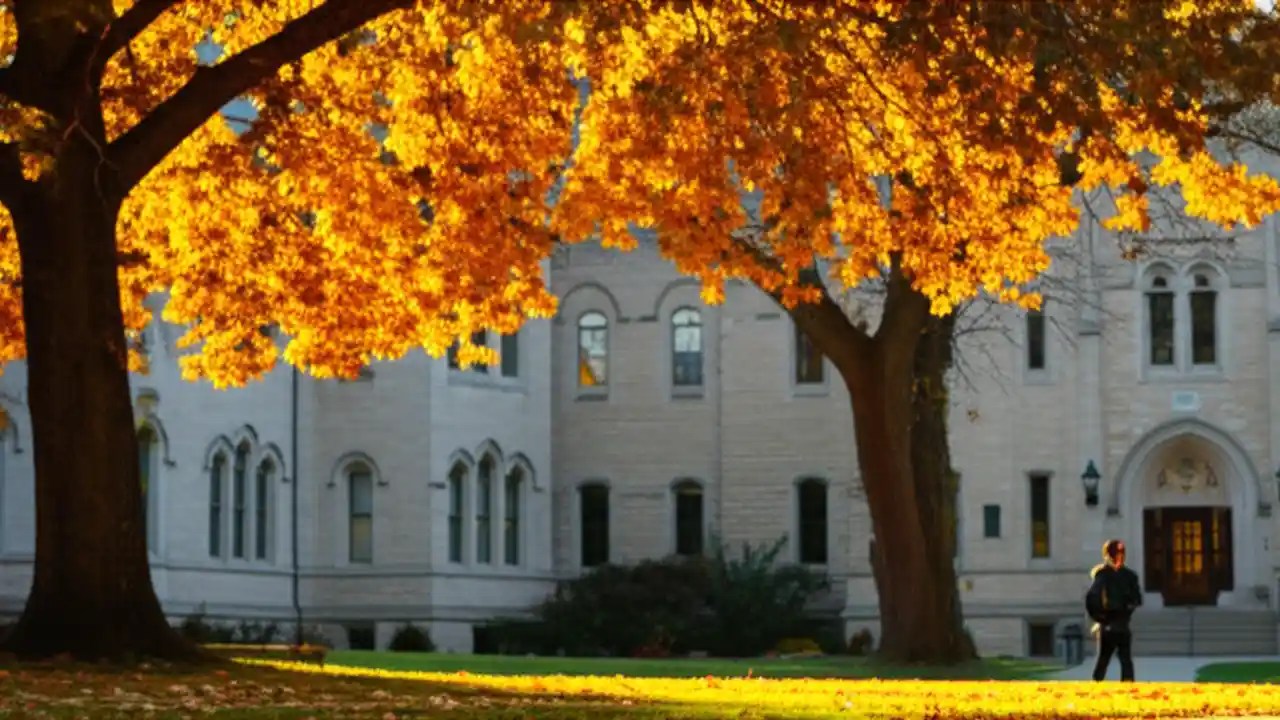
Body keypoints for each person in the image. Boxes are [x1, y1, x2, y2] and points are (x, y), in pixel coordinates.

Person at [1086, 539, 1143, 681]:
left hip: (1120, 623)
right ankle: (1097, 688)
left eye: (1121, 553)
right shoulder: (1103, 575)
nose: (1119, 557)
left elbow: (1137, 599)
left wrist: (1128, 608)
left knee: (1124, 660)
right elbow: (1093, 597)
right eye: (1116, 554)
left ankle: (1128, 690)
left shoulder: (1129, 576)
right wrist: (1100, 618)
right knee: (1105, 660)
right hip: (1108, 623)